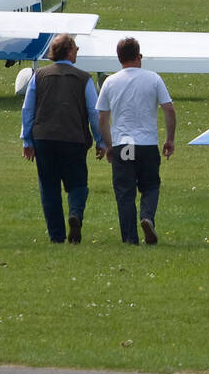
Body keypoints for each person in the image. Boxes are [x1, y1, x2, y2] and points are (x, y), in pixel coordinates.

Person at [21, 34, 106, 244]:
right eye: (76, 48)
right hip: (73, 138)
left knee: (49, 187)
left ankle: (56, 236)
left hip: (44, 139)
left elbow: (28, 110)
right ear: (68, 51)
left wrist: (27, 140)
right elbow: (94, 114)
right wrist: (100, 141)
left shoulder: (38, 76)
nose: (77, 51)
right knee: (78, 184)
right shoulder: (83, 78)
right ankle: (75, 213)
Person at [97, 37, 175, 245]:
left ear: (119, 58)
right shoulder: (153, 79)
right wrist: (169, 139)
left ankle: (130, 239)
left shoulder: (110, 82)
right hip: (147, 144)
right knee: (150, 185)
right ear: (139, 56)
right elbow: (168, 109)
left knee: (125, 191)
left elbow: (102, 117)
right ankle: (147, 216)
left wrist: (108, 144)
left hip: (125, 144)